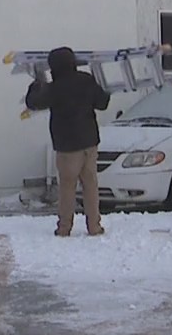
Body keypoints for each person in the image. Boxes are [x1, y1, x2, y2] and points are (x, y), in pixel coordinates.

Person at [24, 46, 111, 237]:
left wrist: (36, 84)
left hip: (67, 146)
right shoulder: (86, 80)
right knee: (90, 184)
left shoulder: (54, 88)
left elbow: (33, 103)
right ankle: (94, 226)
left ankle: (65, 227)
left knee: (67, 187)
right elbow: (103, 103)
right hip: (90, 142)